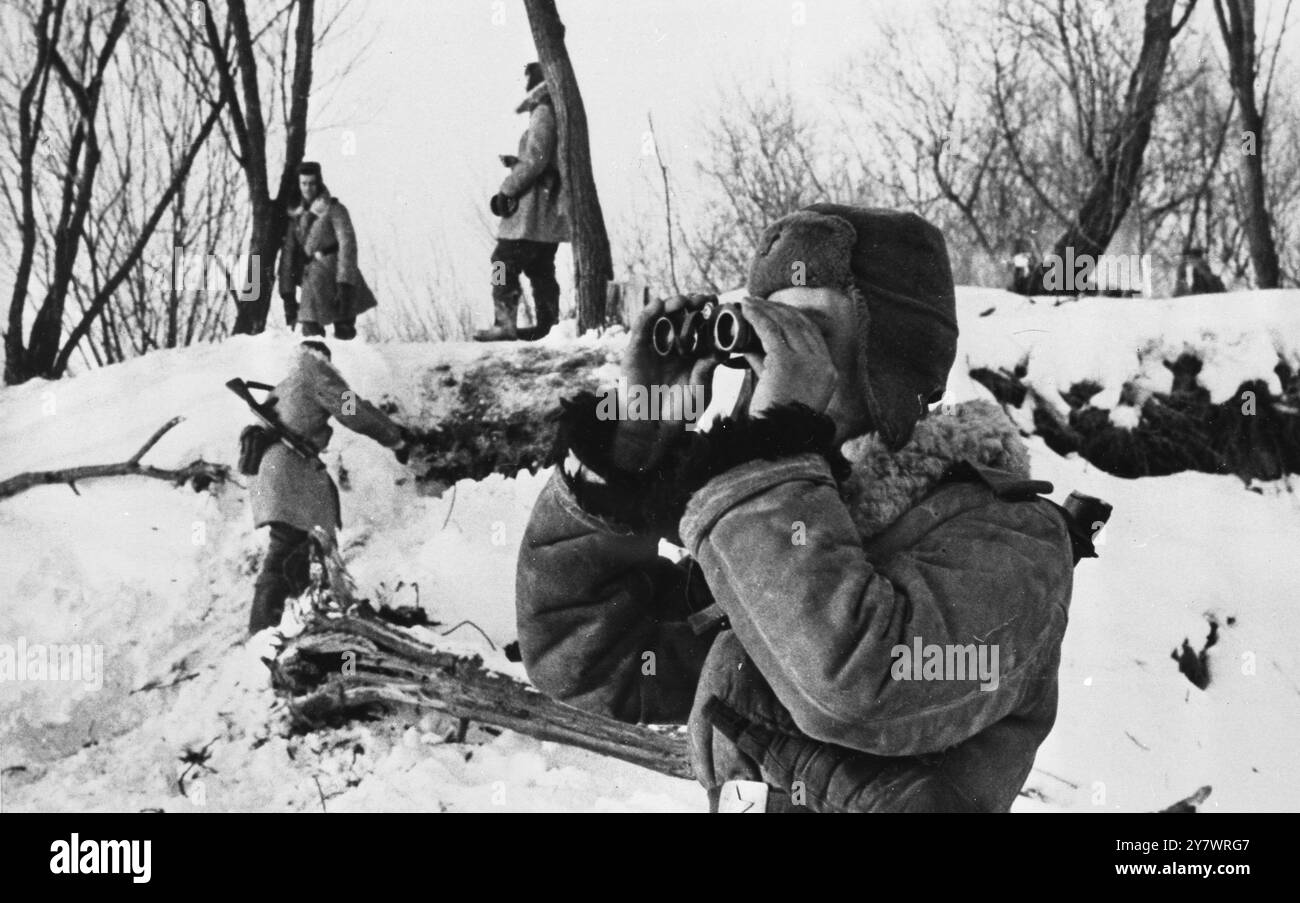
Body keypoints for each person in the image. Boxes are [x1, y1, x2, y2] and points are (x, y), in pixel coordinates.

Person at [514, 204, 1078, 812]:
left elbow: (855, 688)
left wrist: (768, 460)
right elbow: (582, 656)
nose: (775, 357)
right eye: (768, 329)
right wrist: (631, 444)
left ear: (892, 357)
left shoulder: (1014, 541)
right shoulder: (798, 526)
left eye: (807, 331)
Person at [247, 340, 413, 633]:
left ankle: (291, 626)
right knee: (285, 547)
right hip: (289, 469)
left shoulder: (289, 382)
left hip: (279, 467)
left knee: (298, 546)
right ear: (322, 357)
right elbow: (352, 409)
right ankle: (262, 631)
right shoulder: (316, 373)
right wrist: (394, 437)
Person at [474, 62, 570, 342]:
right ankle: (548, 326)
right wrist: (518, 163)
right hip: (547, 216)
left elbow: (537, 159)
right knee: (541, 270)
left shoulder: (543, 112)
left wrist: (508, 189)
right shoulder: (558, 112)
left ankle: (505, 323)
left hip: (531, 215)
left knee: (502, 262)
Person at [278, 161, 378, 340]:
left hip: (335, 275)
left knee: (344, 331)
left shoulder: (335, 210)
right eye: (304, 183)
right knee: (309, 330)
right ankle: (318, 362)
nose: (308, 188)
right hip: (311, 280)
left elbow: (347, 246)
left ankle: (351, 365)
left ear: (319, 183)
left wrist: (345, 284)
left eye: (312, 183)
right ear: (299, 185)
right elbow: (288, 257)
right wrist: (288, 297)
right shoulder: (295, 218)